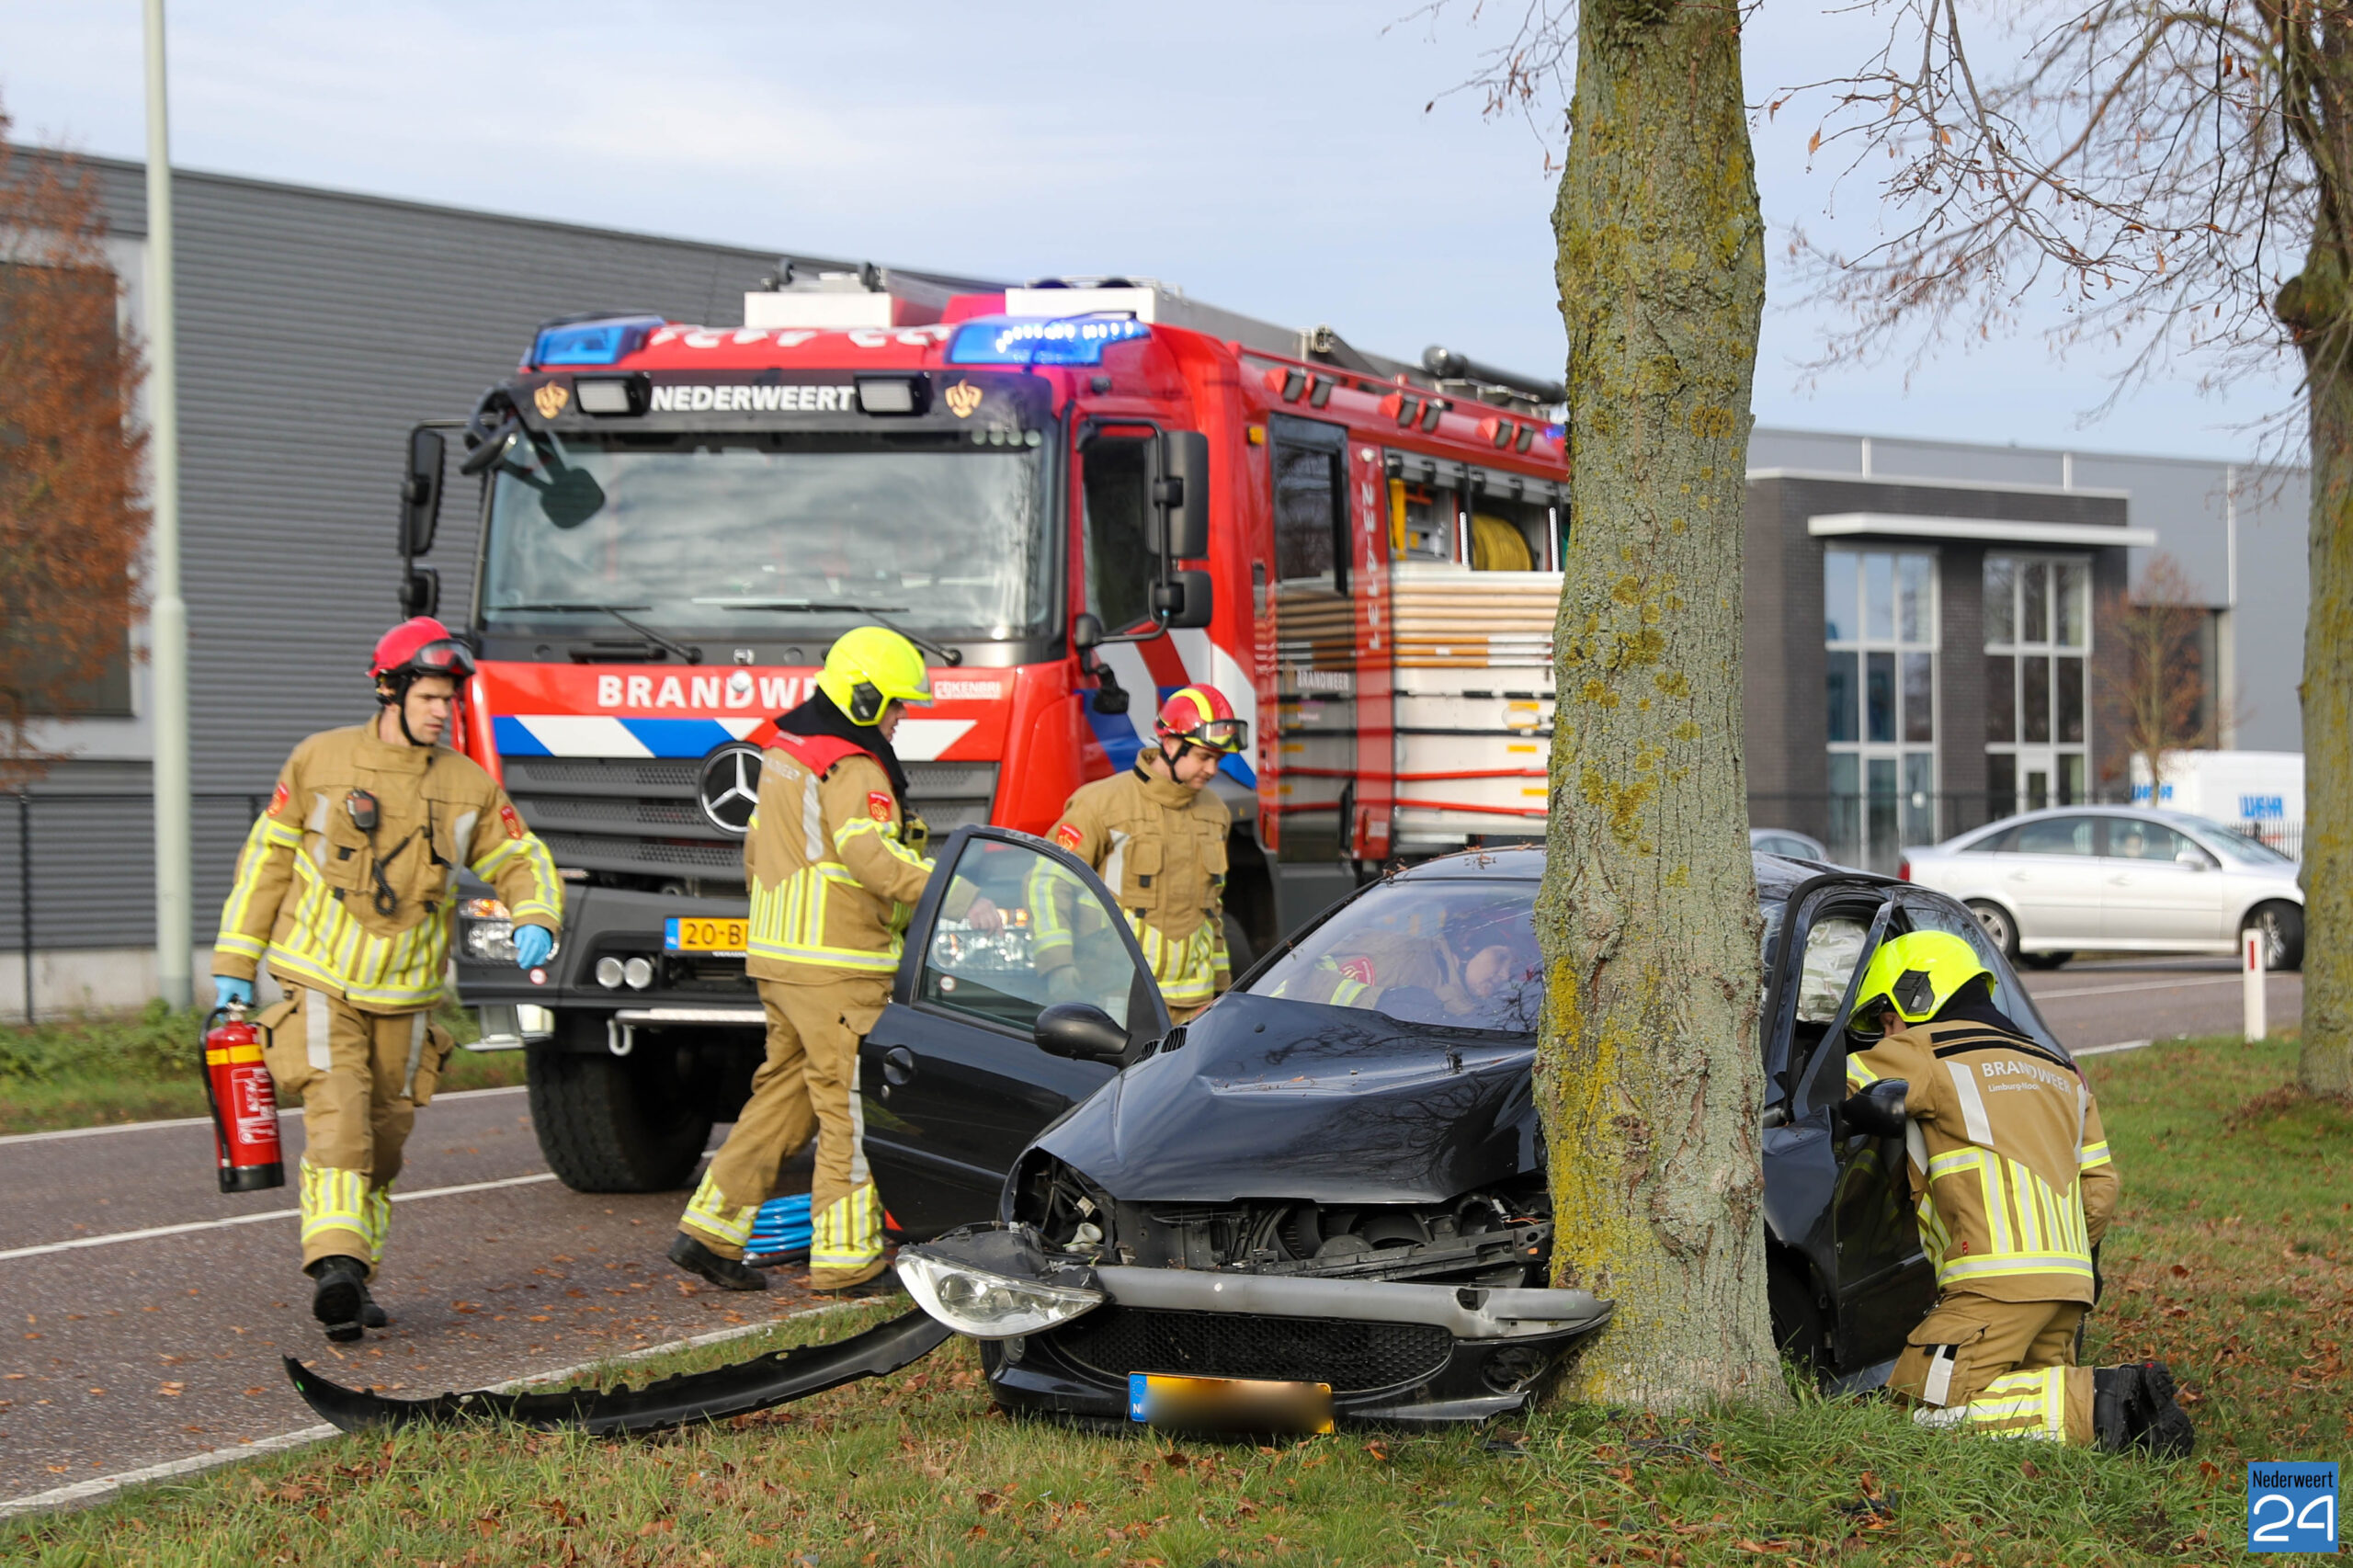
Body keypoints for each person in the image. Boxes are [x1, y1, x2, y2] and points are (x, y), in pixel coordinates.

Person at [211, 617, 562, 1342]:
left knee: (384, 1139)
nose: (443, 711)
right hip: (320, 980)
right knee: (338, 1115)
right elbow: (265, 867)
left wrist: (536, 913)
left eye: (450, 701)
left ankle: (356, 1274)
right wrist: (233, 971)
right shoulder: (319, 762)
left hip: (405, 998)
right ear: (390, 690)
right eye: (431, 696)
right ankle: (333, 1264)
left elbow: (522, 857)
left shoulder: (467, 785)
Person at [669, 627, 999, 1294]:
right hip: (837, 967)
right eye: (896, 706)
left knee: (782, 1099)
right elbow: (870, 857)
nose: (901, 719)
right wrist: (957, 895)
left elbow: (761, 852)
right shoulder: (854, 766)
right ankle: (848, 1266)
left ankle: (709, 1234)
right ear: (865, 697)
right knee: (849, 1112)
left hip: (781, 962)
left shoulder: (785, 750)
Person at [1840, 930, 2192, 1454]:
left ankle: (2105, 1404)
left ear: (1918, 995)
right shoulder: (2058, 1070)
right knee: (2028, 1420)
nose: (1884, 1036)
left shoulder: (1925, 1049)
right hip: (2069, 1286)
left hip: (1991, 1285)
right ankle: (2095, 1403)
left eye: (1887, 1019)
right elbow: (2101, 1188)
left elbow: (1830, 1089)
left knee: (1917, 1410)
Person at [1034, 687, 1244, 1023]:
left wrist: (1221, 989)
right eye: (1204, 757)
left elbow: (1212, 910)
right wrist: (1058, 964)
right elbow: (1048, 881)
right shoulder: (1100, 803)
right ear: (1172, 744)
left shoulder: (1216, 813)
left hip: (1195, 1006)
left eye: (1217, 760)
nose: (1212, 769)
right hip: (1118, 997)